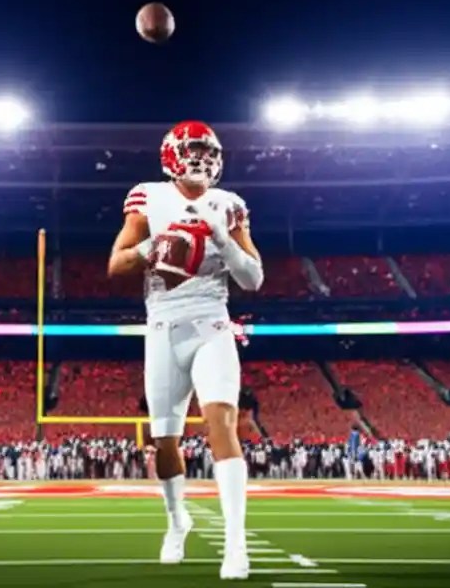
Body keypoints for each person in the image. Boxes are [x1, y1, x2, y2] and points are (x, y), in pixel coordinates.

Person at [107, 120, 264, 580]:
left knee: (222, 425)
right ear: (171, 154)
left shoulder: (229, 205)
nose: (202, 159)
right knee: (165, 441)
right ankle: (178, 521)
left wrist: (220, 236)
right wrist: (154, 246)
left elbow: (253, 279)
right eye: (193, 150)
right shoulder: (148, 197)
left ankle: (236, 546)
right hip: (161, 324)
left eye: (208, 151)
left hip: (213, 322)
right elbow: (115, 264)